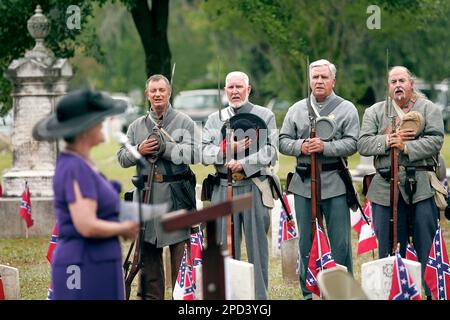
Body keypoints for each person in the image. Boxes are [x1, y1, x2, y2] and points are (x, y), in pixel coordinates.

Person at [32, 88, 139, 300]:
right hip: (83, 263)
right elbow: (86, 225)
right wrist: (123, 228)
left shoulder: (82, 163)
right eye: (98, 120)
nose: (103, 124)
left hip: (97, 261)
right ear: (84, 129)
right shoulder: (74, 168)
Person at [357, 66, 444, 299]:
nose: (398, 85)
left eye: (402, 80)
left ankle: (430, 294)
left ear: (411, 84)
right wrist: (388, 140)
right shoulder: (375, 112)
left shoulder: (429, 109)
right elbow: (363, 143)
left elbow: (436, 140)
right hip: (385, 188)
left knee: (426, 245)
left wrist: (407, 146)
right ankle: (390, 293)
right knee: (388, 246)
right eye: (393, 81)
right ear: (388, 86)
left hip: (422, 186)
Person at [279, 59, 359, 300]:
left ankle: (341, 293)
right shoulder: (296, 109)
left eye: (324, 77)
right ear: (309, 80)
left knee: (340, 243)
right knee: (306, 243)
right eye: (315, 77)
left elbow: (354, 143)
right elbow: (282, 140)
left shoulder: (347, 108)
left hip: (334, 181)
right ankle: (309, 293)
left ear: (333, 80)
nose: (319, 81)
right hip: (304, 184)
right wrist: (301, 146)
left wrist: (326, 146)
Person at [117, 74, 200, 300]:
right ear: (147, 94)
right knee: (149, 263)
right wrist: (139, 150)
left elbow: (195, 153)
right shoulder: (136, 126)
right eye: (153, 91)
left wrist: (166, 149)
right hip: (147, 198)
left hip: (176, 198)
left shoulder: (184, 121)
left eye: (161, 90)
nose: (157, 95)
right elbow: (122, 158)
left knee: (180, 260)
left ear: (169, 92)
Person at [202, 71, 278, 300]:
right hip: (222, 188)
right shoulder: (214, 119)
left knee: (257, 249)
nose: (235, 91)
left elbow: (270, 151)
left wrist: (243, 163)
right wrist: (226, 150)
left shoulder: (265, 115)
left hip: (253, 187)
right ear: (225, 90)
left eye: (239, 87)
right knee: (222, 247)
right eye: (230, 87)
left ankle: (259, 300)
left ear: (248, 88)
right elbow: (203, 152)